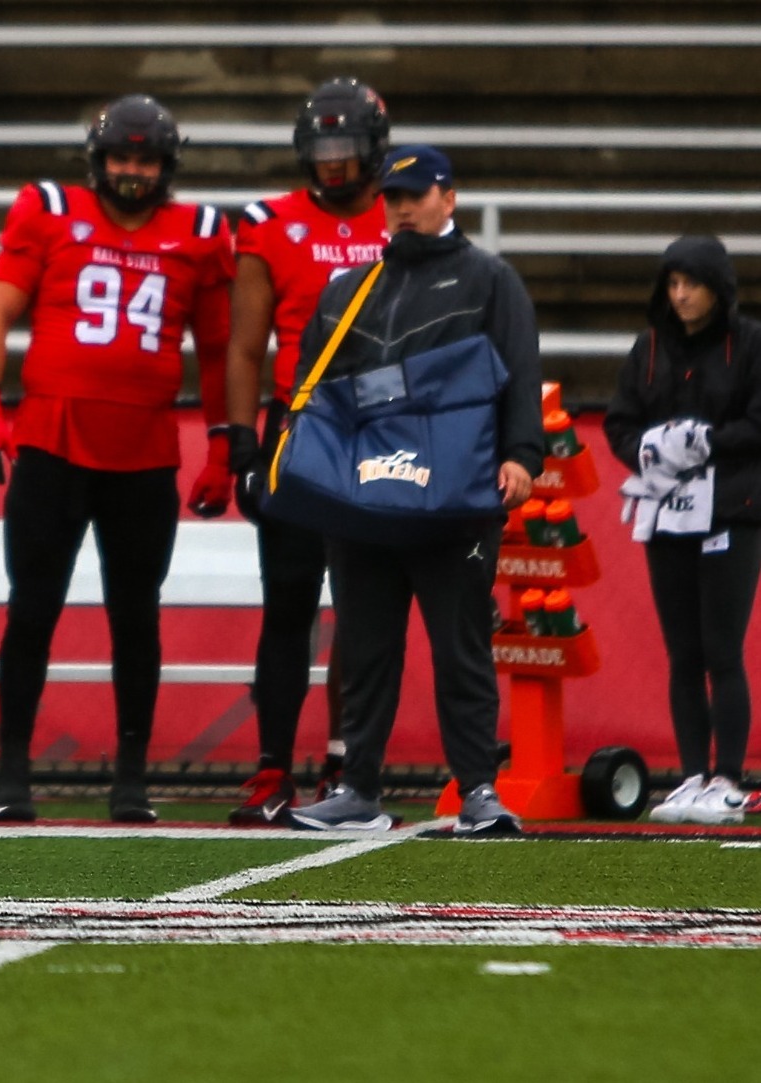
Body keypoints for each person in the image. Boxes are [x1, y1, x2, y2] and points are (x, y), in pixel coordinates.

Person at [0, 95, 234, 824]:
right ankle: (13, 774)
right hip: (53, 442)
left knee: (135, 616)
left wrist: (220, 441)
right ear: (98, 159)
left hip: (146, 452)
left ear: (166, 165)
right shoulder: (49, 209)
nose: (131, 171)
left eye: (145, 159)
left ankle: (130, 778)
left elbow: (216, 350)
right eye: (121, 156)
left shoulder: (202, 231)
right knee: (32, 609)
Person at [286, 145, 543, 835]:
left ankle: (479, 789)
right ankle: (358, 789)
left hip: (455, 498)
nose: (400, 207)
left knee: (460, 646)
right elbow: (311, 385)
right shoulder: (350, 287)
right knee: (365, 648)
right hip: (364, 498)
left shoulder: (490, 280)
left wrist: (522, 453)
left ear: (448, 198)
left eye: (415, 194)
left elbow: (520, 370)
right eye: (391, 197)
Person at [219, 77, 391, 825]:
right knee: (287, 606)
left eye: (345, 149)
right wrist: (238, 442)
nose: (331, 164)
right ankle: (271, 763)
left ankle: (347, 758)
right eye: (320, 150)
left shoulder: (401, 215)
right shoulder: (267, 223)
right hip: (300, 435)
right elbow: (245, 346)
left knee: (363, 611)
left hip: (382, 436)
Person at [605, 236, 761, 825]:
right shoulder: (648, 348)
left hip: (730, 512)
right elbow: (621, 421)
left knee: (723, 649)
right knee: (683, 653)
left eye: (691, 284)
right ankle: (692, 773)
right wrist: (649, 451)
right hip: (667, 512)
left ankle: (729, 778)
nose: (680, 295)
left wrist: (704, 443)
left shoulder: (749, 344)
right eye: (672, 284)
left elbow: (758, 421)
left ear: (717, 288)